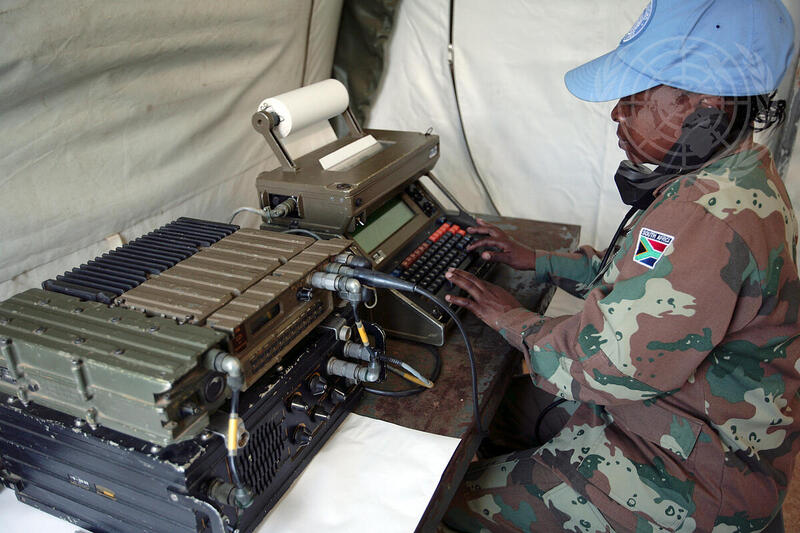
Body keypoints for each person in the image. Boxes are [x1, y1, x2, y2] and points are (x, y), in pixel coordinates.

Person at [442, 1, 800, 532]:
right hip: (677, 419)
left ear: (706, 105)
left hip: (689, 470)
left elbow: (604, 370)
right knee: (506, 409)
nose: (617, 113)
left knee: (442, 511)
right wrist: (538, 261)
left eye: (635, 98)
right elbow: (647, 286)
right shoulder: (734, 177)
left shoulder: (704, 215)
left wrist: (508, 317)